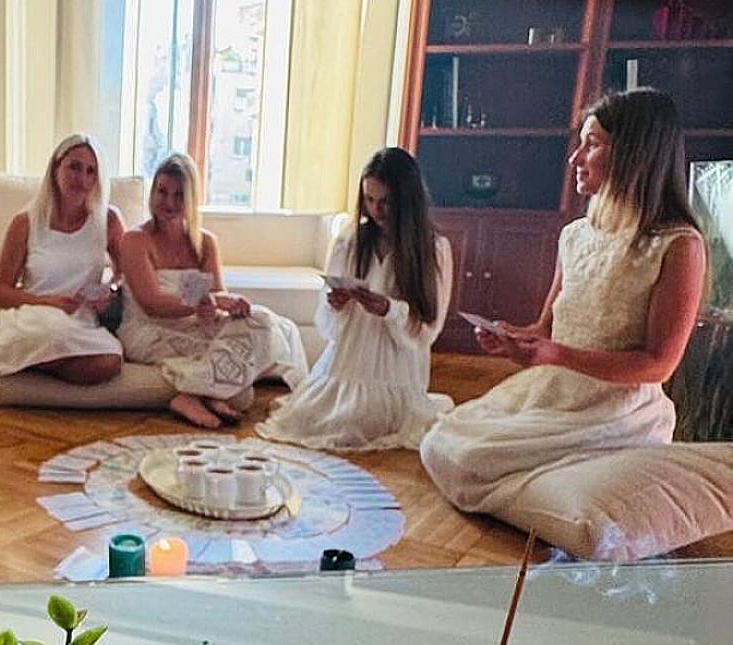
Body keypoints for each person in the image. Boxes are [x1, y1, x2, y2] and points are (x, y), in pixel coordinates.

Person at [420, 87, 707, 514]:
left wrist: (555, 354)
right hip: (555, 390)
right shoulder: (574, 236)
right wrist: (516, 341)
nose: (574, 158)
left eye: (591, 145)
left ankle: (563, 496)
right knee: (441, 441)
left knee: (471, 459)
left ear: (633, 154)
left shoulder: (678, 245)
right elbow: (546, 331)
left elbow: (657, 365)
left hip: (614, 408)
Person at [256, 148, 453, 449]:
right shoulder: (351, 241)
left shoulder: (433, 249)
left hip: (396, 366)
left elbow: (428, 329)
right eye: (370, 200)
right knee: (319, 420)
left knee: (360, 424)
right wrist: (336, 305)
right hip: (349, 357)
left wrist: (389, 309)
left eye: (386, 202)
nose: (376, 210)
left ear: (407, 201)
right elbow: (328, 324)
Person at [118, 153, 308, 428]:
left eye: (179, 195)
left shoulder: (205, 242)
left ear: (192, 198)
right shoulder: (135, 240)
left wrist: (228, 306)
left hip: (197, 324)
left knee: (265, 320)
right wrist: (202, 304)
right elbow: (151, 303)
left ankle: (194, 393)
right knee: (242, 390)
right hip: (149, 328)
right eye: (162, 191)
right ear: (153, 191)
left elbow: (218, 298)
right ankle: (208, 392)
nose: (169, 202)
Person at [0, 133, 125, 408]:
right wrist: (47, 301)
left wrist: (112, 289)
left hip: (78, 319)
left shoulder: (108, 219)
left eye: (91, 171)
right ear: (56, 168)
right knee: (52, 332)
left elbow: (125, 272)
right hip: (30, 314)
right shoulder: (25, 222)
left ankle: (13, 365)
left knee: (110, 361)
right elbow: (0, 292)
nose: (81, 178)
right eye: (74, 167)